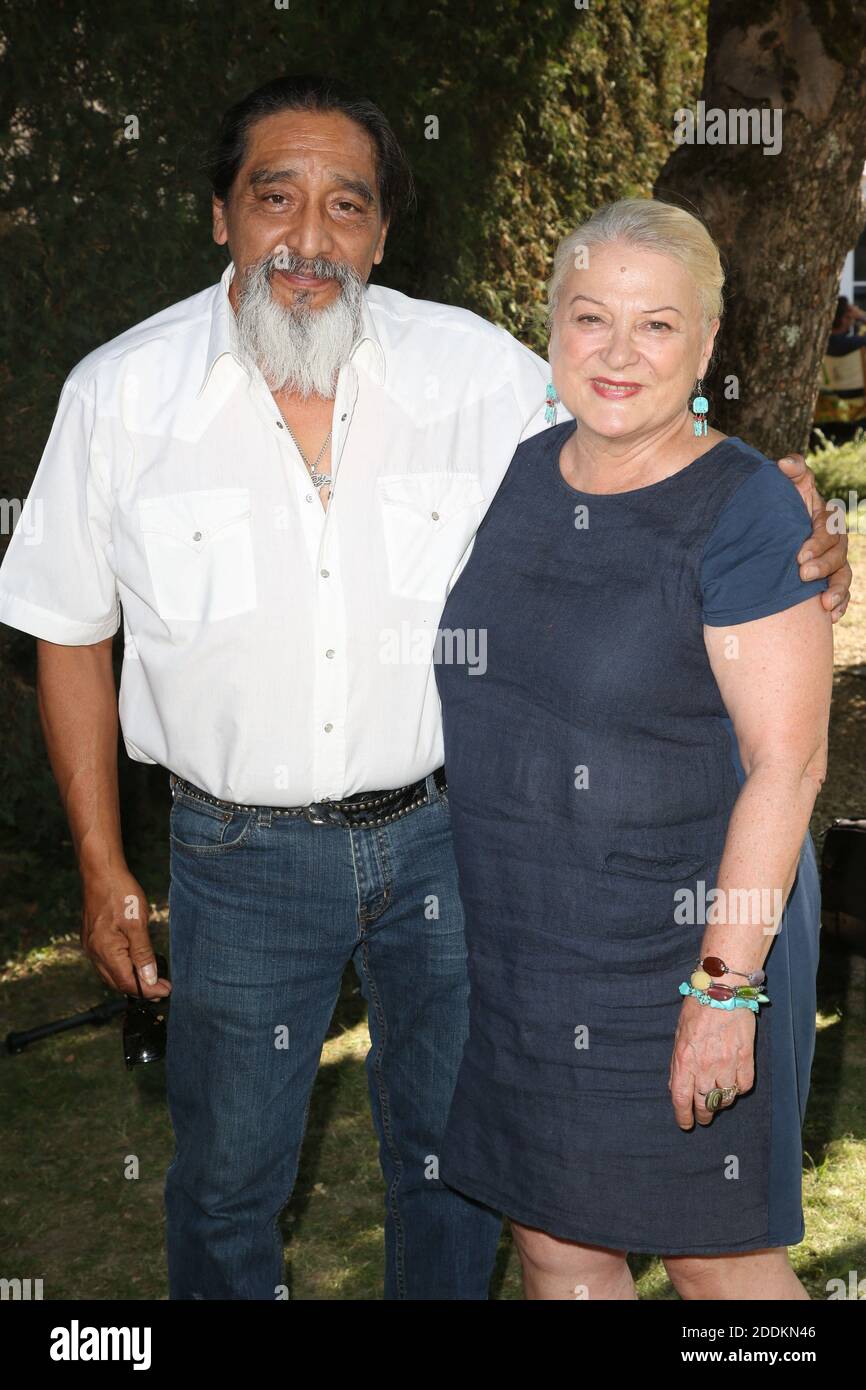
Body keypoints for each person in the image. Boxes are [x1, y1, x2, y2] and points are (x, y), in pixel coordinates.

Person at [0, 81, 849, 1301]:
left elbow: (647, 423)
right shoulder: (118, 398)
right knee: (228, 1178)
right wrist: (100, 862)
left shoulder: (478, 373)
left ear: (382, 232)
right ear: (218, 216)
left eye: (346, 203)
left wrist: (787, 517)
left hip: (455, 851)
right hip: (238, 859)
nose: (308, 236)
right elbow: (68, 631)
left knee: (459, 1170)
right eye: (273, 196)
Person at [435, 197, 835, 1301]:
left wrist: (722, 991)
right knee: (556, 1242)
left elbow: (786, 765)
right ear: (550, 329)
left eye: (656, 325)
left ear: (706, 342)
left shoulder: (747, 509)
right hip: (525, 945)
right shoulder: (512, 477)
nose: (616, 353)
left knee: (715, 1258)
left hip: (681, 947)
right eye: (588, 318)